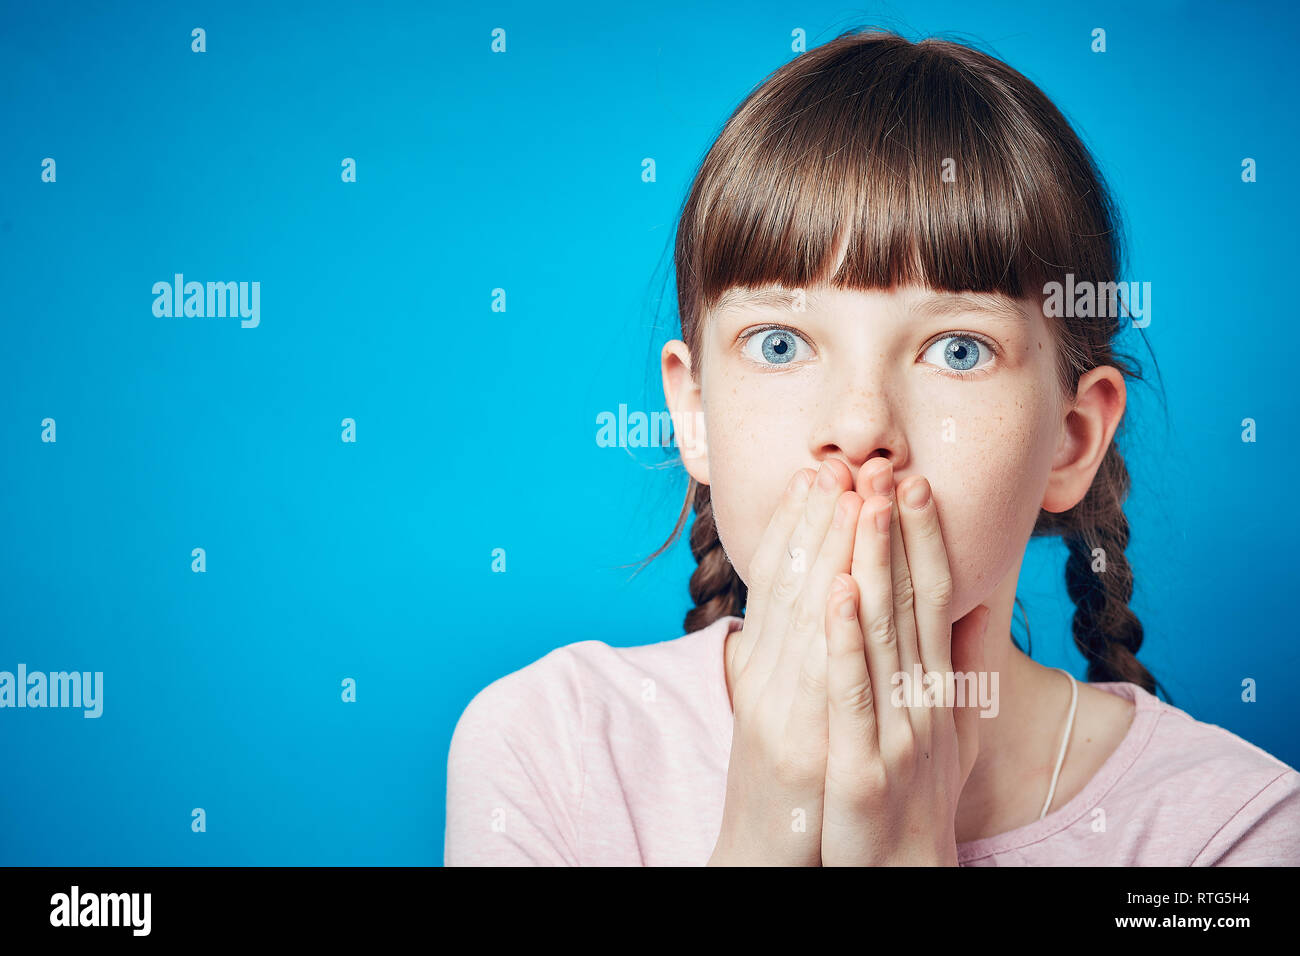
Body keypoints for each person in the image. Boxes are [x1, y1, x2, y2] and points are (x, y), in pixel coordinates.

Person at [444, 27, 1300, 866]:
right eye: (779, 343)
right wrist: (761, 832)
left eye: (957, 349)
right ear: (693, 413)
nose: (859, 427)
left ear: (1071, 442)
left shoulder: (1235, 833)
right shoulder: (547, 747)